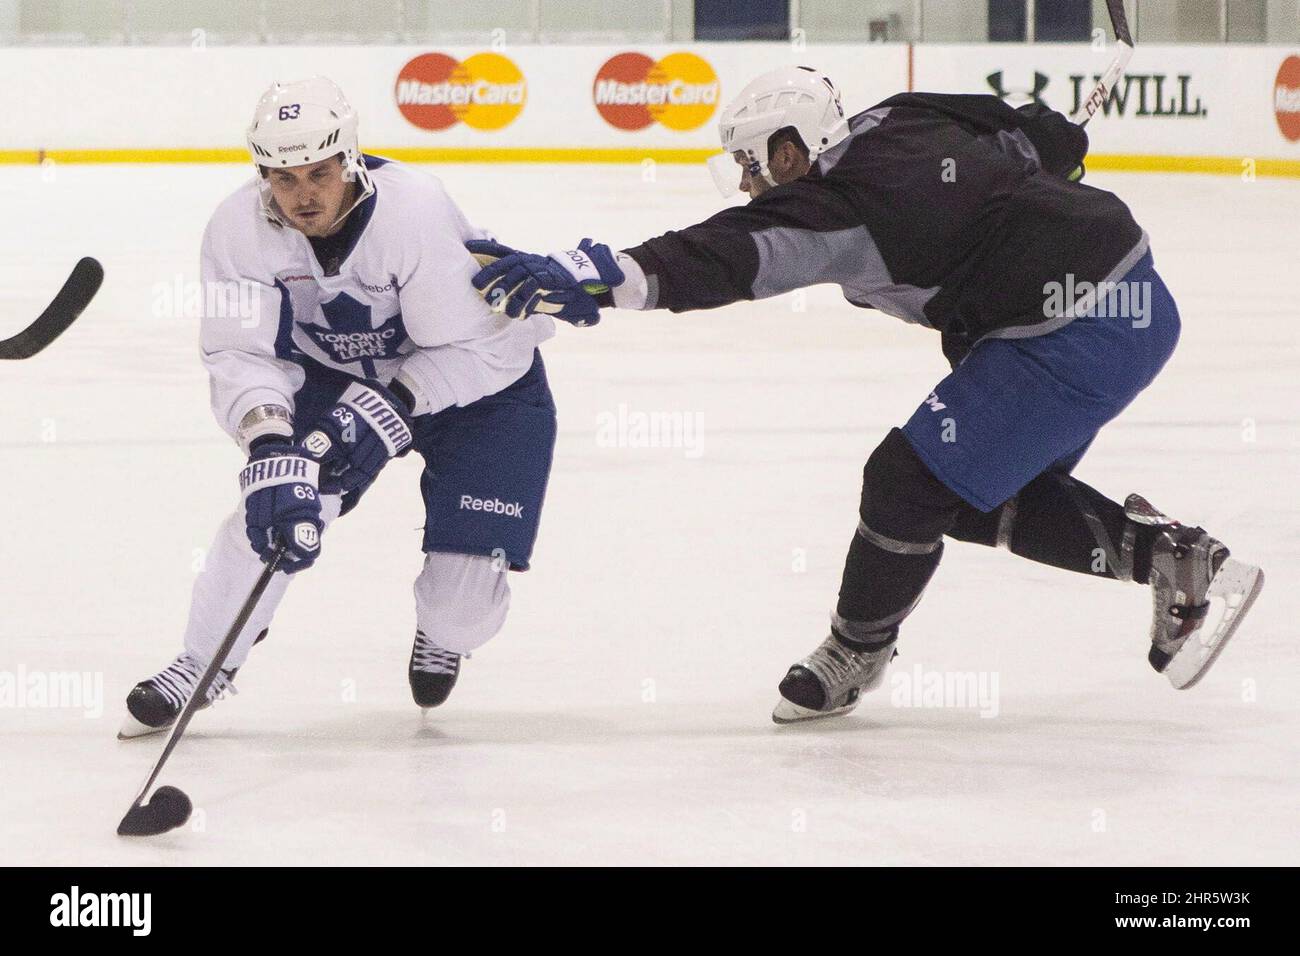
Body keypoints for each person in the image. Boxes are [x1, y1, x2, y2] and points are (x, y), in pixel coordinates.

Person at [468, 65, 1264, 724]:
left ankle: (857, 647)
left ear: (790, 149)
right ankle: (1172, 558)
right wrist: (1055, 141)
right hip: (1139, 304)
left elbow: (725, 256)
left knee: (905, 482)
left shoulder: (839, 207)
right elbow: (1019, 132)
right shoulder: (905, 116)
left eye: (754, 165)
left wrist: (597, 275)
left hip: (1068, 332)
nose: (751, 185)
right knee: (966, 496)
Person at [120, 77, 557, 737]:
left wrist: (384, 411)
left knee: (458, 613)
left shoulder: (414, 212)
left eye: (318, 174)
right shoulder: (238, 228)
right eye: (283, 177)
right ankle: (203, 663)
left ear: (349, 161)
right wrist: (269, 443)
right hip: (334, 378)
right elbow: (240, 356)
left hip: (481, 387)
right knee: (269, 509)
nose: (302, 196)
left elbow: (474, 348)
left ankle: (444, 631)